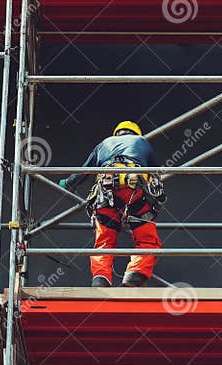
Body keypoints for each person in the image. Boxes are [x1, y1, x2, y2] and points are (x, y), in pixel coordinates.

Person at [59, 121, 165, 287]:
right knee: (147, 239)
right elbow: (156, 175)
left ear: (117, 134)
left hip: (106, 194)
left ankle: (101, 278)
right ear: (136, 133)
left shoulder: (104, 144)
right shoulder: (142, 142)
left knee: (104, 241)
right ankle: (135, 275)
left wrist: (67, 183)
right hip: (136, 193)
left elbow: (84, 171)